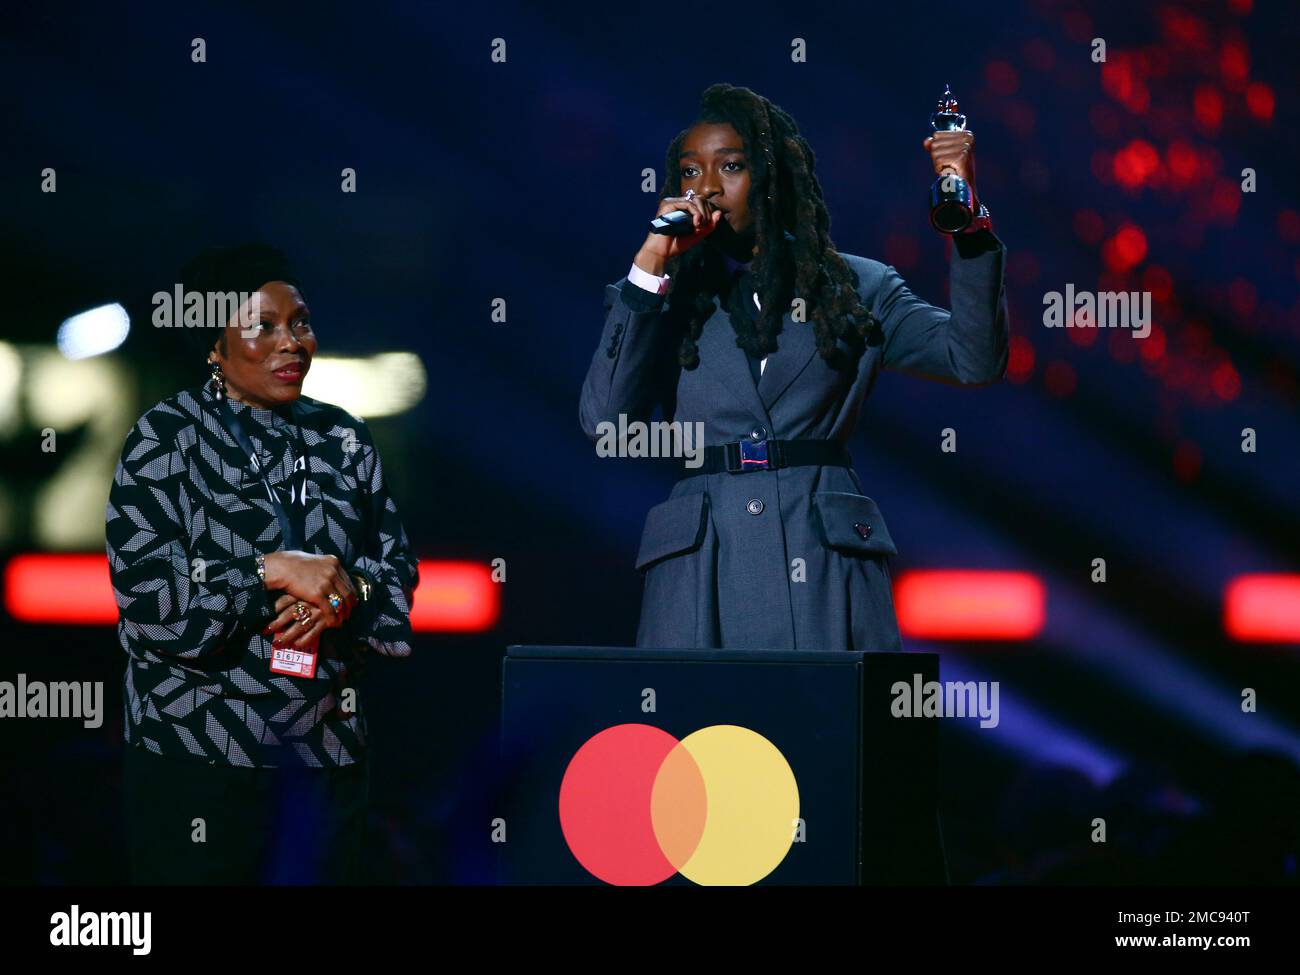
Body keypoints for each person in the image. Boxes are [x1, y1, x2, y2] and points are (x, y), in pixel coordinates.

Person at [579, 83, 1009, 652]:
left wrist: (966, 225)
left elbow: (972, 358)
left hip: (825, 568)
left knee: (828, 734)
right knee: (705, 740)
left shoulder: (858, 289)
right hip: (701, 574)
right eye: (689, 172)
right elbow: (606, 424)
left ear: (773, 176)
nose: (706, 187)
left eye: (730, 166)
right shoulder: (662, 296)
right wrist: (649, 263)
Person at [107, 243, 419, 883]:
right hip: (198, 764)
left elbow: (398, 588)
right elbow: (150, 612)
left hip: (325, 763)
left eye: (300, 322)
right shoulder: (166, 440)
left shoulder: (344, 440)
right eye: (263, 326)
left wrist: (346, 594)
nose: (292, 342)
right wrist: (266, 573)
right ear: (215, 346)